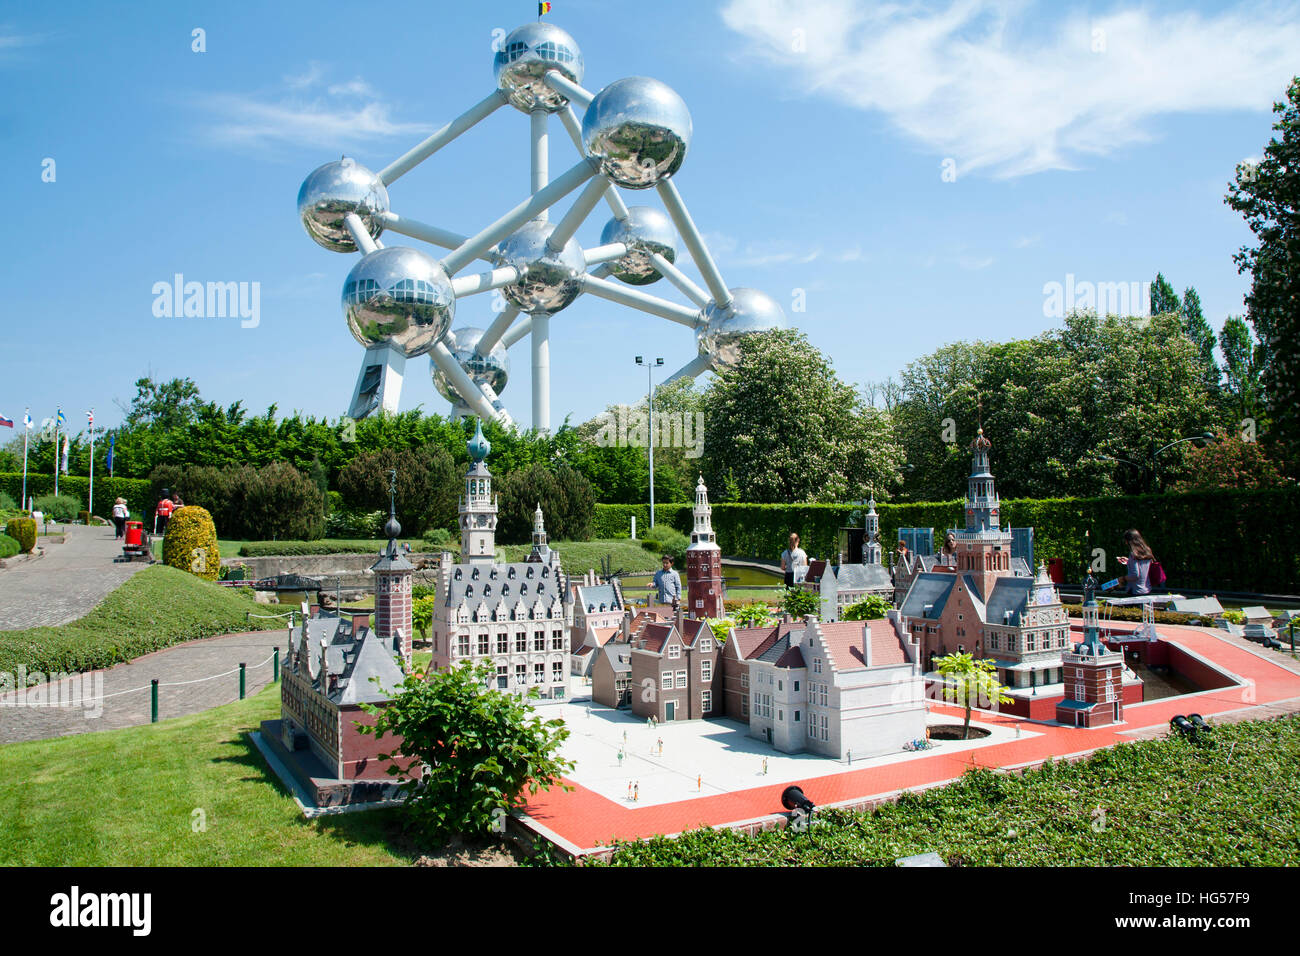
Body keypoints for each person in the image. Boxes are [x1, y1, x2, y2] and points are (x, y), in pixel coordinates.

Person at [1115, 528, 1155, 596]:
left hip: (1135, 591)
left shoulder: (1133, 553)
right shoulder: (1147, 550)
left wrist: (1122, 578)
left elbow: (1135, 575)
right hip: (1147, 589)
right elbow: (1143, 567)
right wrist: (1129, 561)